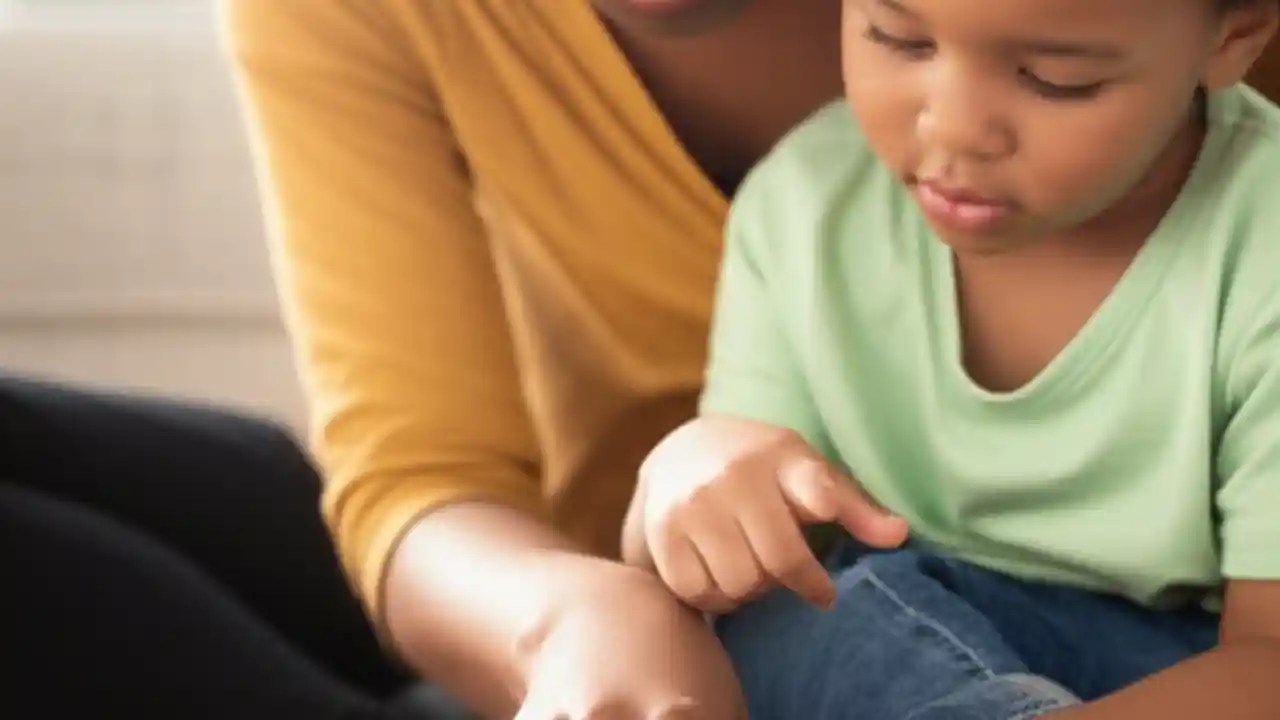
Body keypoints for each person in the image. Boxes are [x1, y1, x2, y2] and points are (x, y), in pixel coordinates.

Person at [624, 0, 1280, 718]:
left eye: (1056, 79)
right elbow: (724, 574)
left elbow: (1267, 662)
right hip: (896, 636)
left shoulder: (1261, 243)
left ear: (1235, 37)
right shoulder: (808, 206)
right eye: (898, 39)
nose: (954, 127)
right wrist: (690, 478)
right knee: (806, 616)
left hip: (1185, 670)